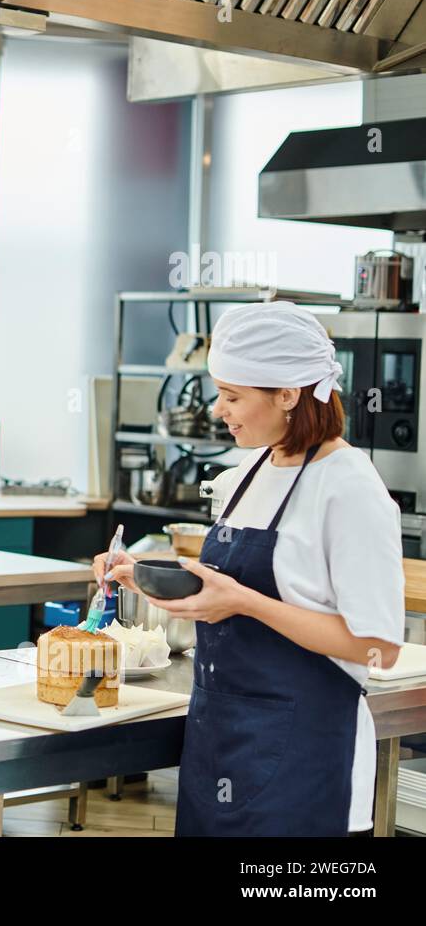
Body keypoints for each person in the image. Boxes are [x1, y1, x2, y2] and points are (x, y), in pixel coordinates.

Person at [95, 301, 404, 836]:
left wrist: (244, 602)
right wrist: (140, 570)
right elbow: (224, 585)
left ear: (288, 394)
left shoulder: (349, 487)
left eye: (233, 396)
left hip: (305, 764)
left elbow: (378, 646)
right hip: (218, 744)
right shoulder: (247, 472)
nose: (219, 410)